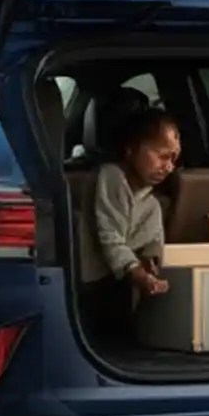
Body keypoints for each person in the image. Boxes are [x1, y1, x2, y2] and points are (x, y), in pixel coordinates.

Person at [78, 107, 180, 336]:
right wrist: (139, 275)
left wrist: (151, 266)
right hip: (96, 287)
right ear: (131, 149)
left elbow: (154, 241)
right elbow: (110, 237)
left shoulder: (151, 202)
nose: (169, 167)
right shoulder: (111, 177)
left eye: (174, 158)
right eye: (162, 156)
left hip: (123, 286)